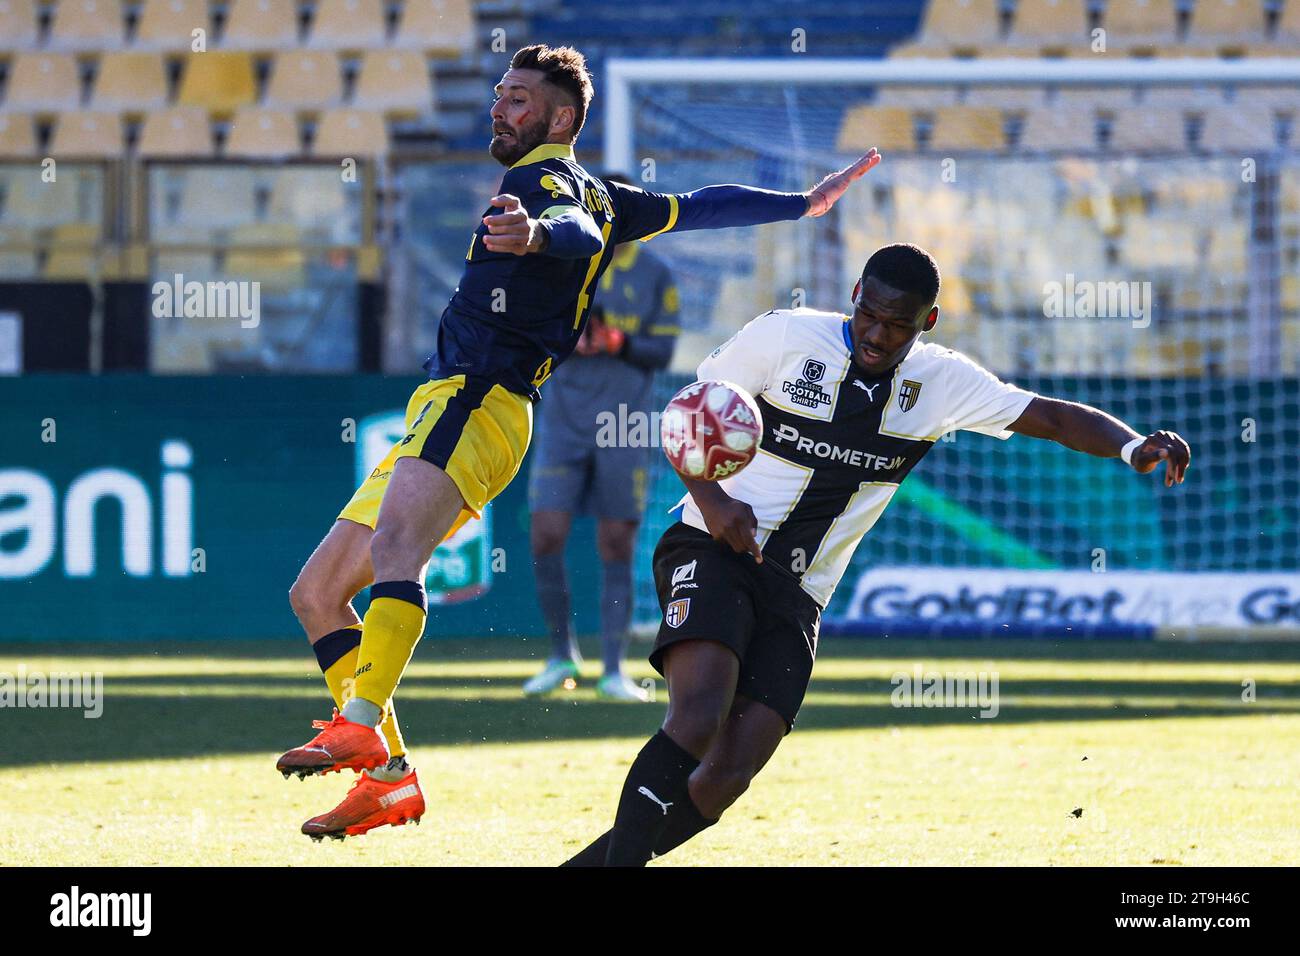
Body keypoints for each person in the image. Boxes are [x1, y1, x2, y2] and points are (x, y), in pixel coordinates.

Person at [275, 42, 883, 841]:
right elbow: (697, 205)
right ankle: (387, 779)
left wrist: (535, 236)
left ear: (561, 118)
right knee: (318, 594)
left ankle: (358, 722)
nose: (500, 107)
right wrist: (797, 203)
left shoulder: (548, 184)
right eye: (499, 93)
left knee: (397, 554)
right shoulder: (608, 197)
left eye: (518, 98)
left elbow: (569, 229)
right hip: (459, 403)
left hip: (479, 396)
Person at [564, 242, 1191, 865]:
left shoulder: (941, 382)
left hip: (801, 592)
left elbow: (1050, 418)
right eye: (870, 314)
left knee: (727, 776)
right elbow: (687, 414)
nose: (877, 334)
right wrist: (714, 499)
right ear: (855, 296)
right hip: (713, 545)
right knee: (698, 717)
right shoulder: (784, 338)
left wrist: (1132, 447)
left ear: (928, 322)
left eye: (898, 325)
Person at [525, 174, 681, 702]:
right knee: (545, 532)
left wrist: (617, 341)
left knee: (617, 542)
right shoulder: (562, 263)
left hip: (623, 422)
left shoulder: (657, 273)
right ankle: (560, 652)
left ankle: (614, 669)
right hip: (563, 418)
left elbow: (661, 355)